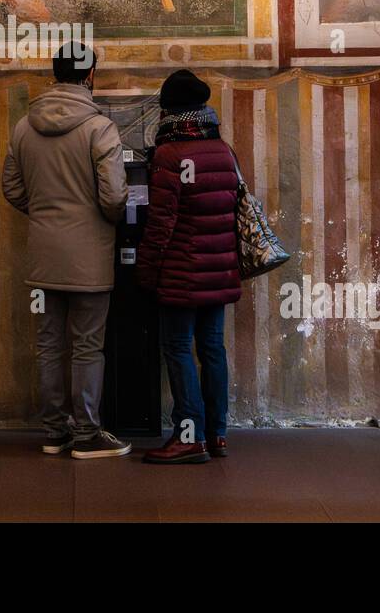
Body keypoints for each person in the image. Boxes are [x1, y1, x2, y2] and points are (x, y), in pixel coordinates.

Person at [2, 42, 131, 459]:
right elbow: (114, 197)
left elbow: (12, 188)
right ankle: (88, 434)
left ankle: (54, 431)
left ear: (55, 74)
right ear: (90, 76)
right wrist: (100, 221)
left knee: (48, 343)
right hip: (89, 257)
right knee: (88, 345)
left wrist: (43, 213)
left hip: (42, 256)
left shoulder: (24, 126)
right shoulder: (100, 128)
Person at [136, 70, 241, 465]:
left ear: (168, 110)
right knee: (212, 347)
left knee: (178, 348)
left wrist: (145, 272)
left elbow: (161, 224)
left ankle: (188, 436)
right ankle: (217, 435)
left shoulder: (168, 155)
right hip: (219, 270)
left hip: (181, 272)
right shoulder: (224, 150)